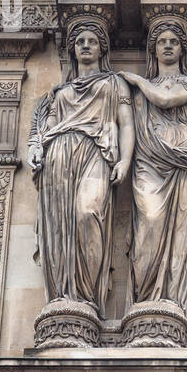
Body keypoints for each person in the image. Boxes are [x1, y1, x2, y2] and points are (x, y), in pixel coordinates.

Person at [29, 17, 134, 311]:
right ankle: (64, 295)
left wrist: (125, 160)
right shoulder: (59, 92)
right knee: (59, 226)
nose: (85, 45)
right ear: (72, 50)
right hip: (59, 155)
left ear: (102, 49)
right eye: (79, 42)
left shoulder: (115, 83)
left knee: (88, 214)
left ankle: (87, 297)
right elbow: (45, 128)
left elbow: (126, 124)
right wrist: (37, 148)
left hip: (95, 153)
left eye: (91, 41)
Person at [117, 19, 187, 310]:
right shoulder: (137, 94)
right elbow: (126, 129)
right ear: (153, 49)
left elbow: (166, 99)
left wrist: (137, 81)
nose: (168, 45)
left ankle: (170, 302)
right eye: (162, 41)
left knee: (182, 236)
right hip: (148, 161)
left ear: (183, 49)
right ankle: (146, 300)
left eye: (174, 41)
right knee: (149, 222)